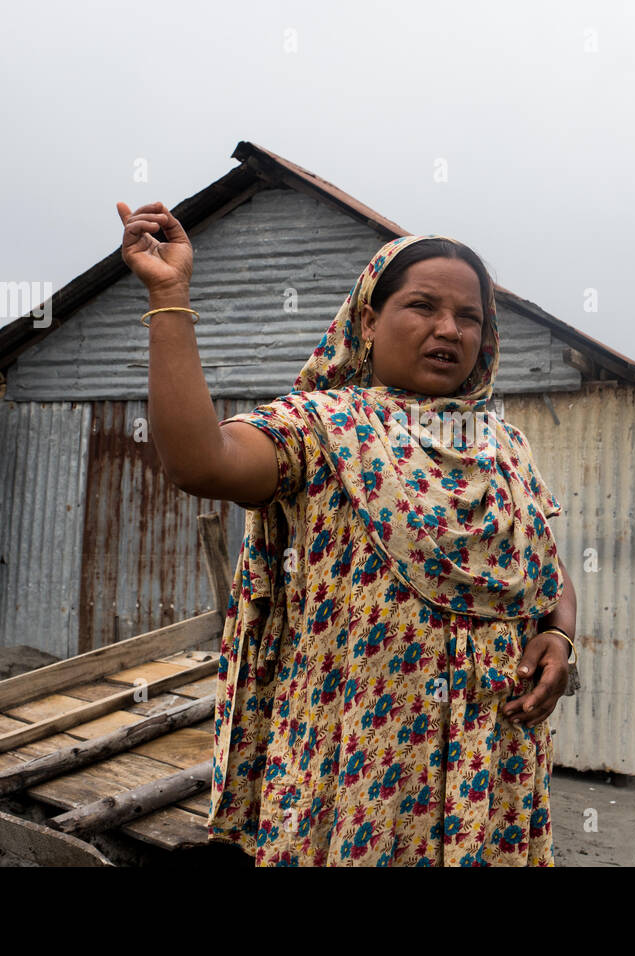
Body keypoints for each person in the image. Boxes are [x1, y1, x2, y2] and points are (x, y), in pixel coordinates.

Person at [116, 201, 578, 866]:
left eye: (470, 316)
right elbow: (200, 462)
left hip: (492, 758)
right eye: (422, 306)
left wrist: (559, 636)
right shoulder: (321, 427)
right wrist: (168, 295)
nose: (449, 329)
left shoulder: (503, 446)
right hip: (360, 762)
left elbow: (544, 570)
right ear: (368, 320)